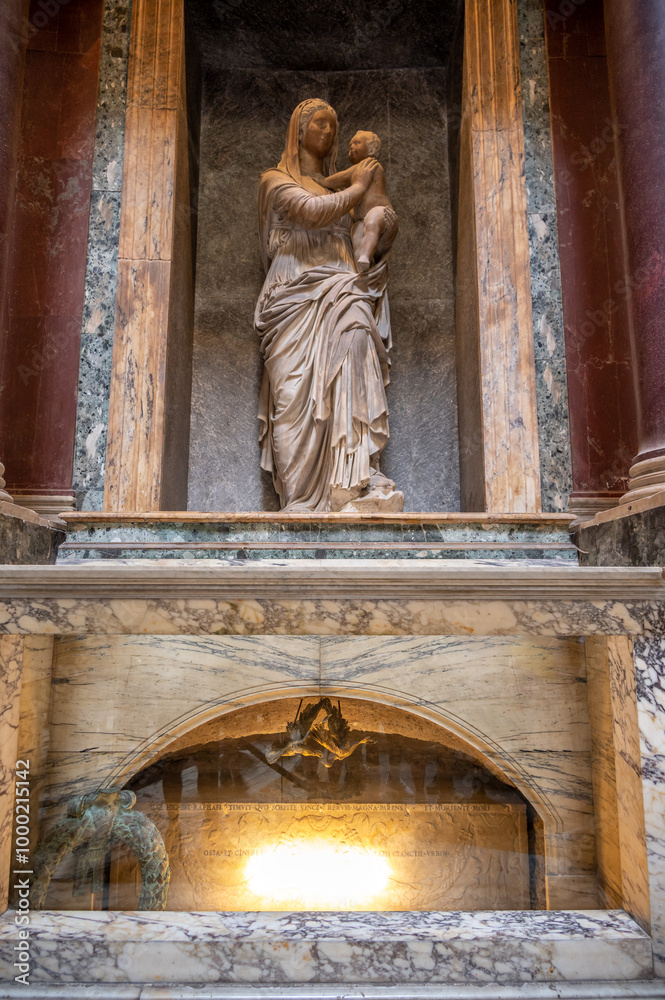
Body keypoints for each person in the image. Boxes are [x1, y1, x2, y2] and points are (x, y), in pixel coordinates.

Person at [255, 98, 404, 513]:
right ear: (298, 129)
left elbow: (369, 232)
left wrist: (382, 220)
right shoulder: (275, 180)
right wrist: (360, 185)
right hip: (291, 294)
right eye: (319, 123)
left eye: (333, 126)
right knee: (291, 395)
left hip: (342, 286)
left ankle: (354, 477)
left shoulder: (341, 188)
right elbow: (310, 211)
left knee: (358, 341)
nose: (329, 132)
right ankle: (301, 499)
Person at [321, 130, 398, 272]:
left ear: (371, 149)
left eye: (357, 143)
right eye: (350, 144)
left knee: (372, 224)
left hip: (380, 210)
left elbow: (340, 178)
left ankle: (365, 255)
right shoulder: (359, 170)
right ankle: (362, 270)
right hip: (360, 219)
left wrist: (323, 181)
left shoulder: (368, 165)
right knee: (357, 238)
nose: (352, 146)